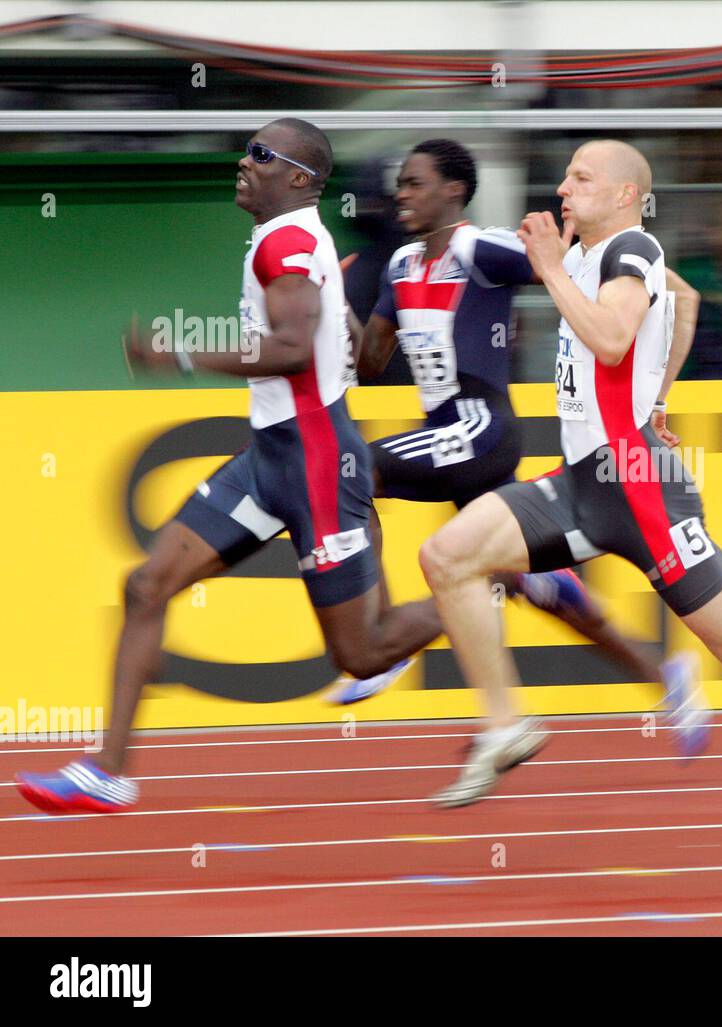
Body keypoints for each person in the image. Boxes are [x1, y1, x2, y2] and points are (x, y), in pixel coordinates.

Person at [417, 139, 722, 808]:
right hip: (583, 480)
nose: (563, 186)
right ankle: (504, 725)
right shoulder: (593, 253)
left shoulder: (631, 250)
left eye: (581, 176)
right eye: (566, 173)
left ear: (623, 196)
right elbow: (687, 304)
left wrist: (550, 269)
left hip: (638, 487)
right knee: (447, 555)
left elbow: (612, 338)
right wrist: (657, 396)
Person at [16, 119, 446, 813]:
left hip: (313, 462)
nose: (243, 164)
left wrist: (176, 354)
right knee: (147, 584)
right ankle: (108, 768)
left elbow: (290, 350)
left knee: (361, 656)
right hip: (272, 455)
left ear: (300, 179)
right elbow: (344, 346)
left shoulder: (288, 240)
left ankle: (495, 581)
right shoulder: (294, 237)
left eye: (260, 155)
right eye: (246, 151)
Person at [331, 138, 709, 758]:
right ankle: (665, 677)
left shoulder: (478, 247)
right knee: (542, 588)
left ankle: (382, 643)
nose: (402, 194)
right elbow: (369, 364)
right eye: (399, 183)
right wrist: (334, 305)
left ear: (453, 192)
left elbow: (569, 266)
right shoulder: (399, 267)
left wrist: (644, 277)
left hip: (481, 427)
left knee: (352, 471)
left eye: (416, 183)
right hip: (448, 437)